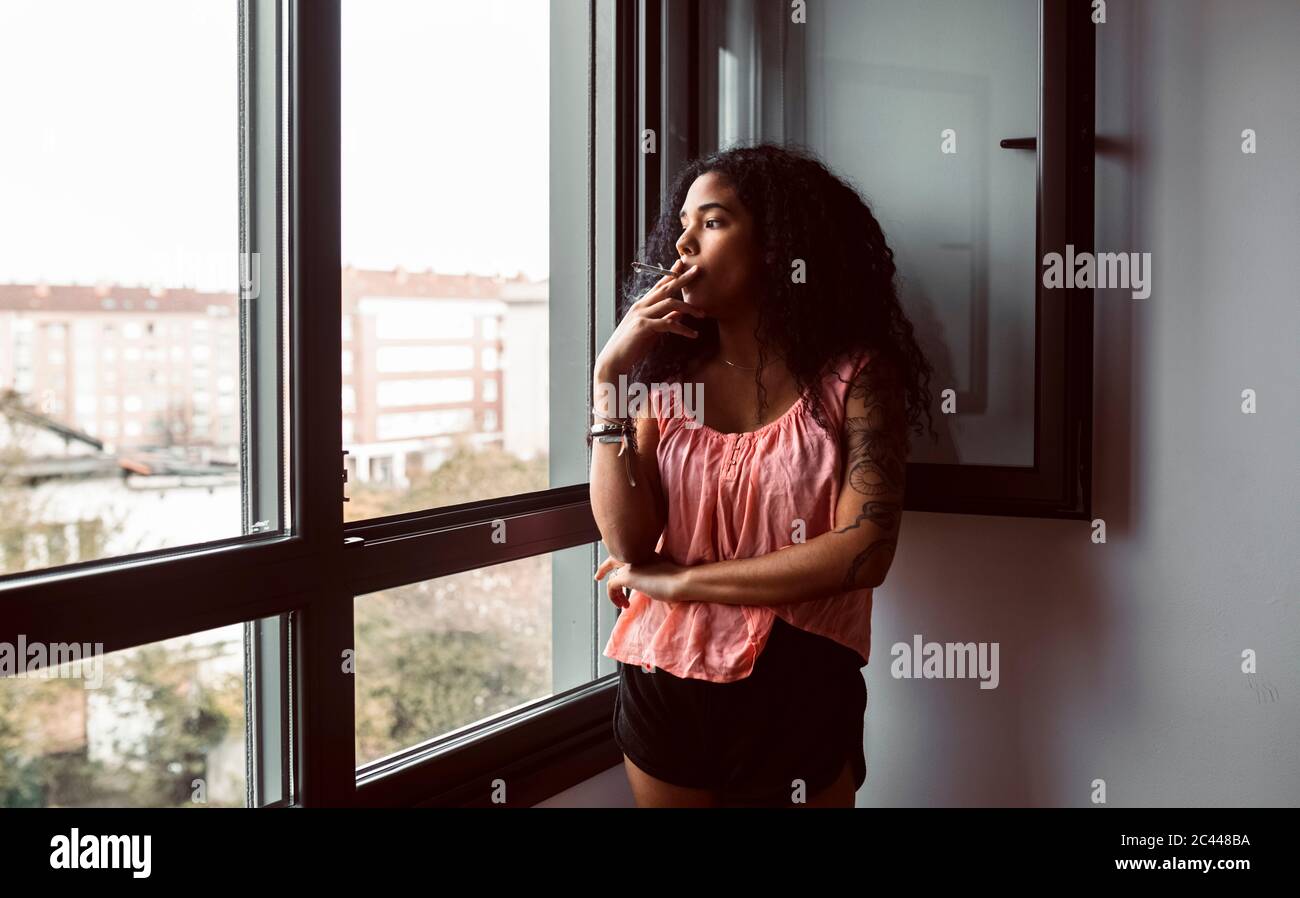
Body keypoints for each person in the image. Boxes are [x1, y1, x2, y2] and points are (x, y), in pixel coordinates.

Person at [589, 143, 936, 808]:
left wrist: (682, 580)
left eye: (712, 223)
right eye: (682, 226)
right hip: (663, 677)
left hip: (800, 685)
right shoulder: (667, 388)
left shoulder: (856, 379)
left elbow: (862, 552)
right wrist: (608, 378)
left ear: (778, 247)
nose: (684, 244)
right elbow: (629, 545)